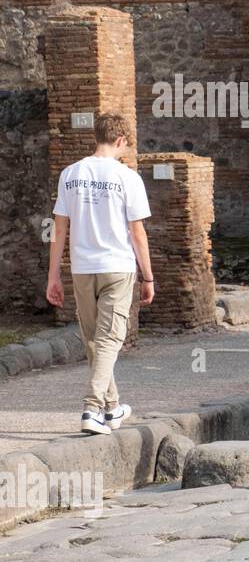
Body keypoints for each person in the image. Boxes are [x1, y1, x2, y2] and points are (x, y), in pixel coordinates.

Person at [45, 113, 155, 435]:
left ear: (98, 136)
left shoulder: (70, 174)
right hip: (118, 267)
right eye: (126, 146)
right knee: (110, 339)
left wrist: (54, 275)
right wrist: (148, 277)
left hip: (82, 268)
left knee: (95, 342)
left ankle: (112, 407)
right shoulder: (128, 177)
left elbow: (58, 229)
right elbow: (138, 234)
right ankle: (91, 408)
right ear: (120, 140)